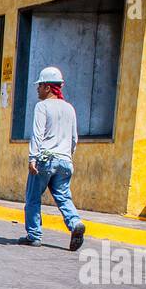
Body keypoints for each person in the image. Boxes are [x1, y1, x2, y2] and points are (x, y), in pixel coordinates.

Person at [20, 66, 86, 250]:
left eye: (40, 85)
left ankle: (34, 235)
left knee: (33, 197)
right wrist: (68, 157)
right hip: (65, 160)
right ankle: (75, 223)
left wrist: (32, 158)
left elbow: (37, 134)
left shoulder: (42, 106)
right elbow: (74, 138)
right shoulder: (69, 108)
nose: (37, 89)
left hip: (45, 160)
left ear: (48, 87)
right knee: (64, 197)